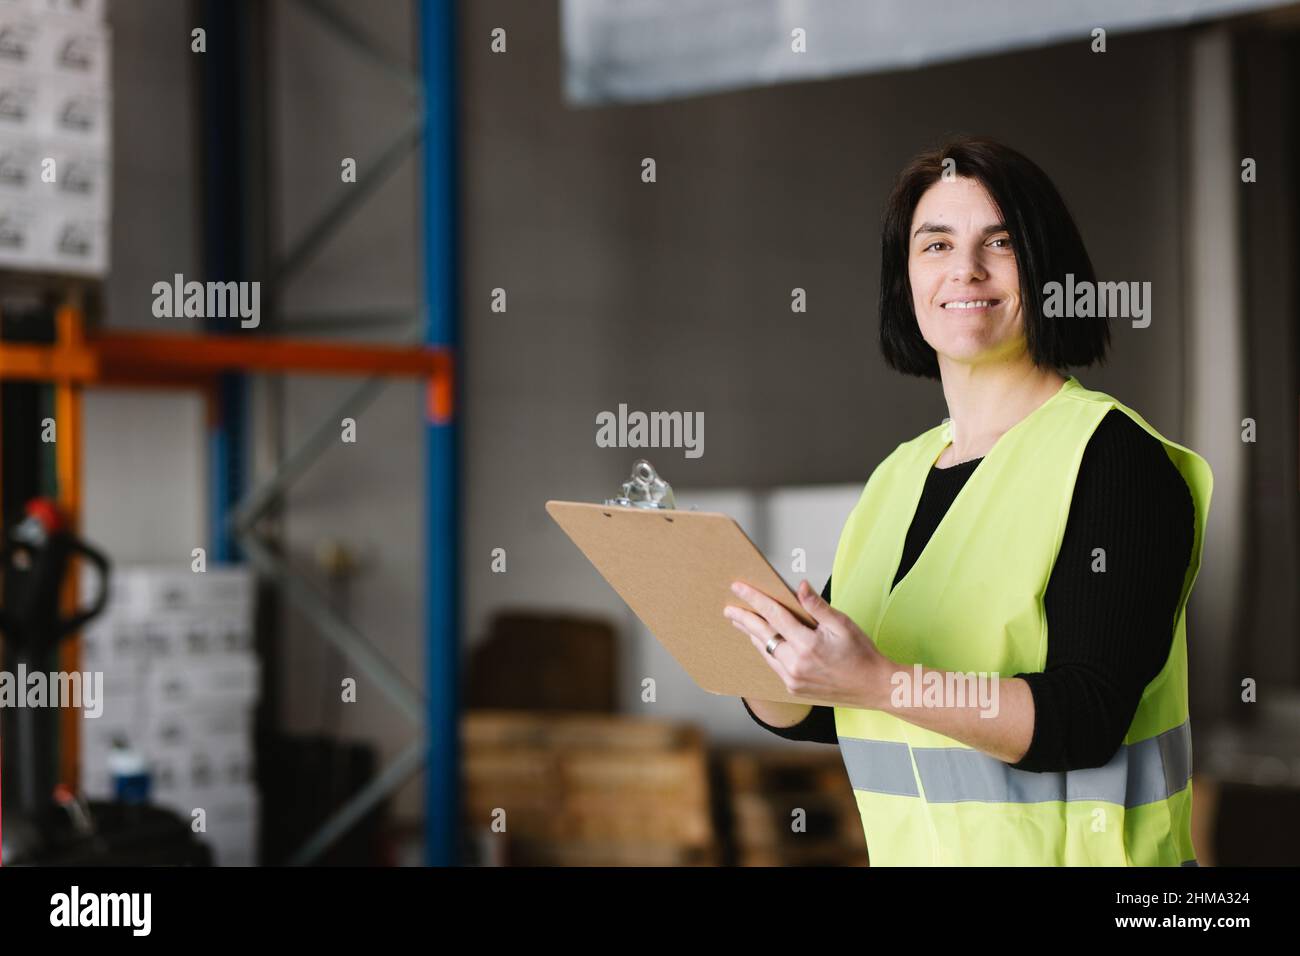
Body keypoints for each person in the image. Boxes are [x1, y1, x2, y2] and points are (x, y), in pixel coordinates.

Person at [724, 136, 1212, 866]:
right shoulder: (898, 477)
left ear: (1050, 272)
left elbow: (1085, 718)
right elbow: (832, 709)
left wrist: (881, 682)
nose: (965, 269)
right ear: (904, 281)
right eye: (936, 244)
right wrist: (760, 658)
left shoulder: (1114, 461)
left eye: (1001, 242)